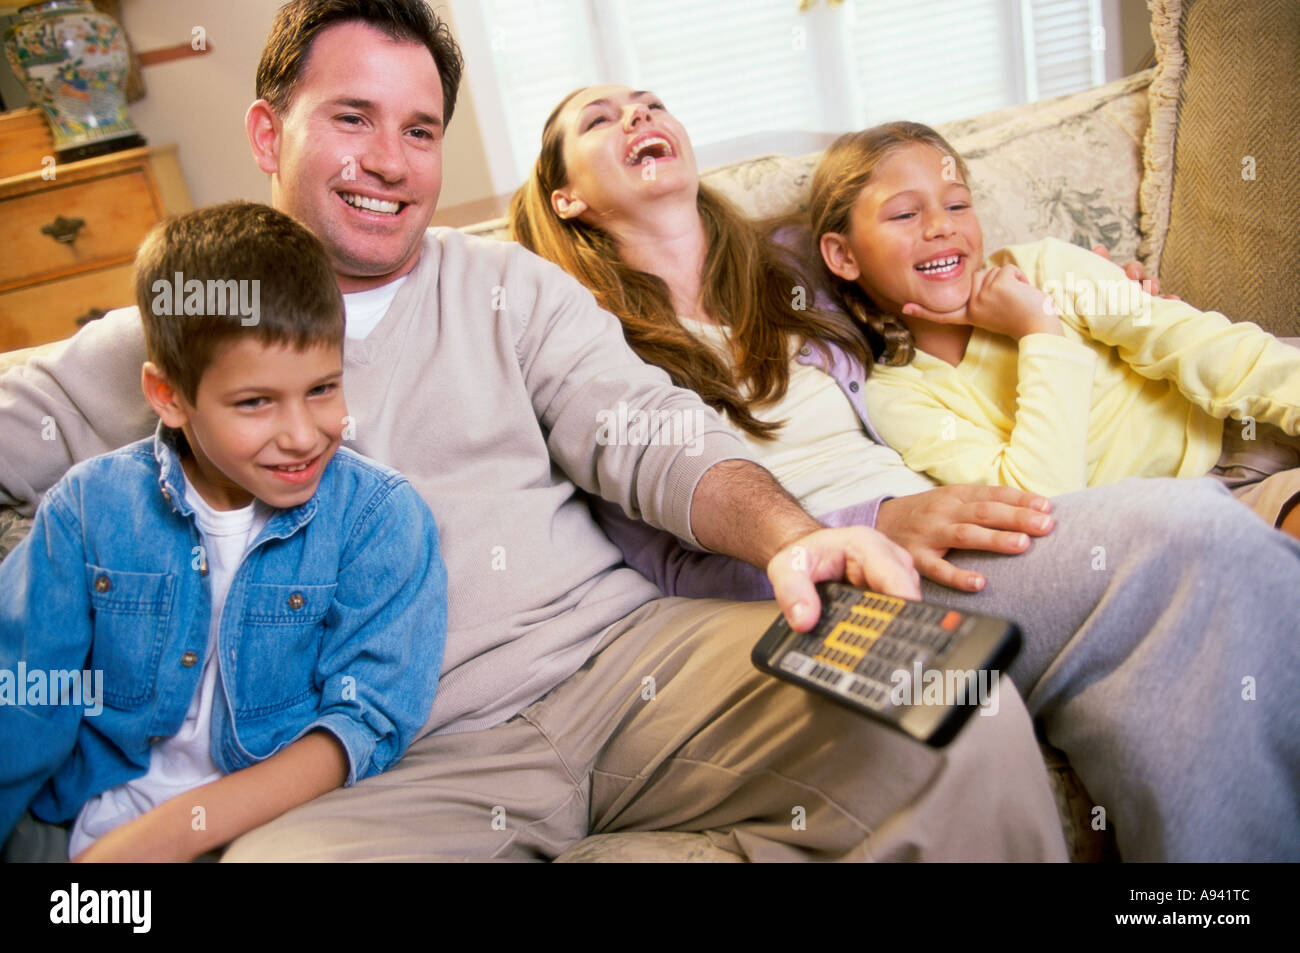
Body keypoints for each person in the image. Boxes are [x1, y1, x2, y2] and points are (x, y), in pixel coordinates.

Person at [0, 0, 1071, 862]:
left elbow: (649, 429)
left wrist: (788, 531)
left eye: (418, 131)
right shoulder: (182, 321)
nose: (389, 160)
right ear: (269, 131)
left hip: (626, 665)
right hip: (395, 765)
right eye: (352, 118)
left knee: (951, 701)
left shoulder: (510, 285)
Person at [509, 82, 1300, 860]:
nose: (638, 115)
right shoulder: (584, 354)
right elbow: (674, 569)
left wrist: (1097, 289)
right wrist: (867, 526)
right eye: (599, 120)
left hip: (946, 525)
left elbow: (911, 246)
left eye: (650, 102)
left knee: (1208, 559)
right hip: (820, 585)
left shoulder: (784, 271)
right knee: (1189, 531)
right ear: (566, 196)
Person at [0, 201, 448, 862]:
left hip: (277, 830)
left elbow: (363, 724)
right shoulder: (88, 510)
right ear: (169, 395)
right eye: (255, 402)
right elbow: (24, 702)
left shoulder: (380, 518)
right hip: (87, 817)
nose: (302, 434)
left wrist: (172, 833)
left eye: (322, 388)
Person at [809, 121, 1300, 539]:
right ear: (844, 255)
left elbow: (1202, 346)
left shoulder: (1046, 266)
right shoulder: (896, 396)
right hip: (1162, 525)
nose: (941, 226)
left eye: (957, 205)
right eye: (905, 214)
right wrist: (1038, 330)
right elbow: (1044, 504)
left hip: (1242, 428)